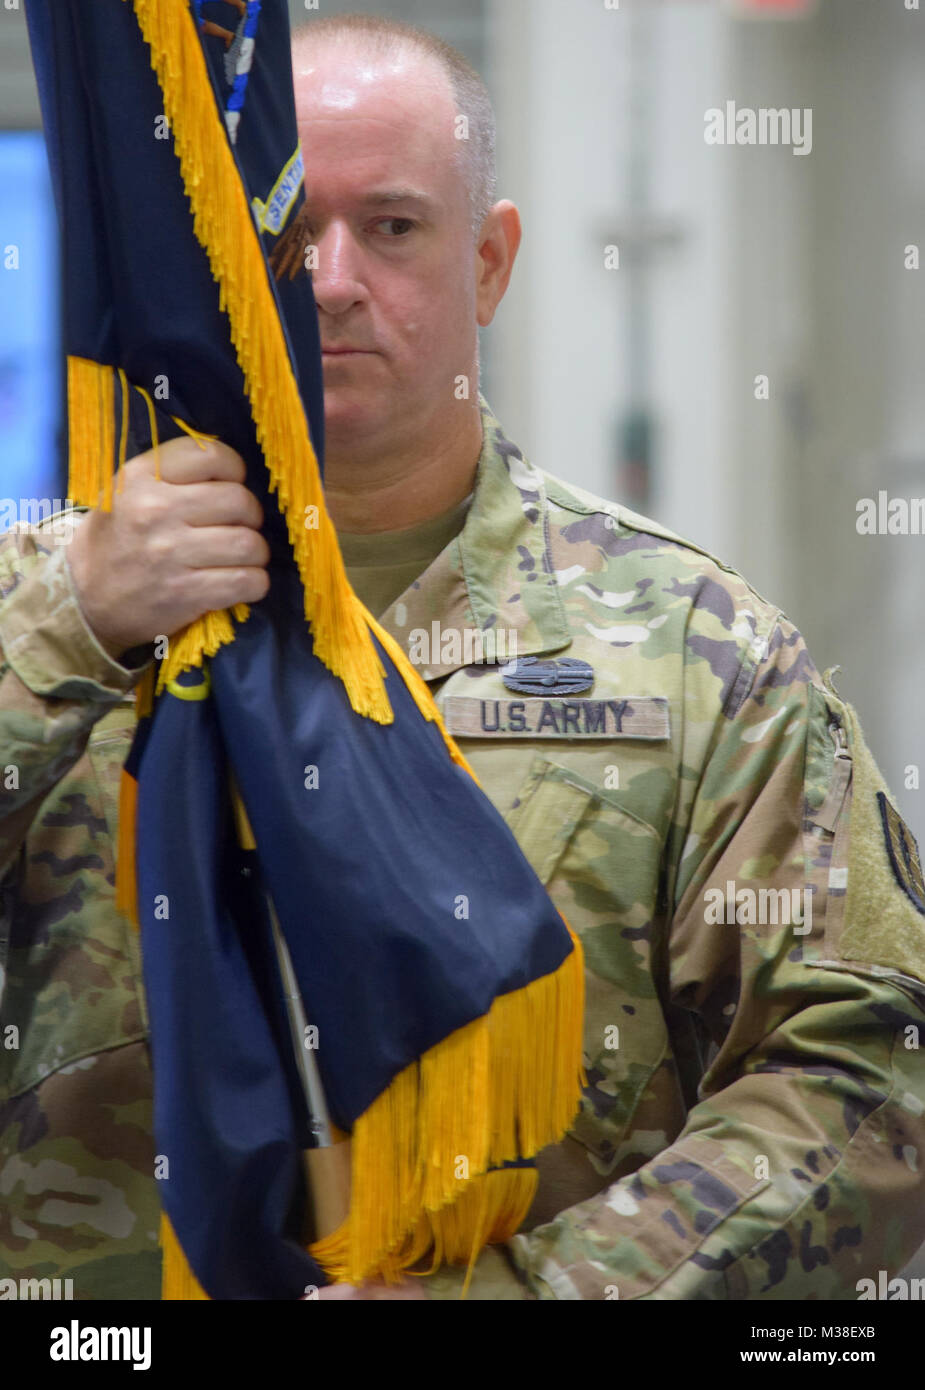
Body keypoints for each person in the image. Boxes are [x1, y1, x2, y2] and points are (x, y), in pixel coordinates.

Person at [2, 13, 924, 1302]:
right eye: (284, 227)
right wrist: (75, 618)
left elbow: (873, 1071)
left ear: (487, 263)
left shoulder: (688, 648)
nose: (326, 279)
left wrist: (522, 1298)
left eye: (391, 227)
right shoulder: (50, 612)